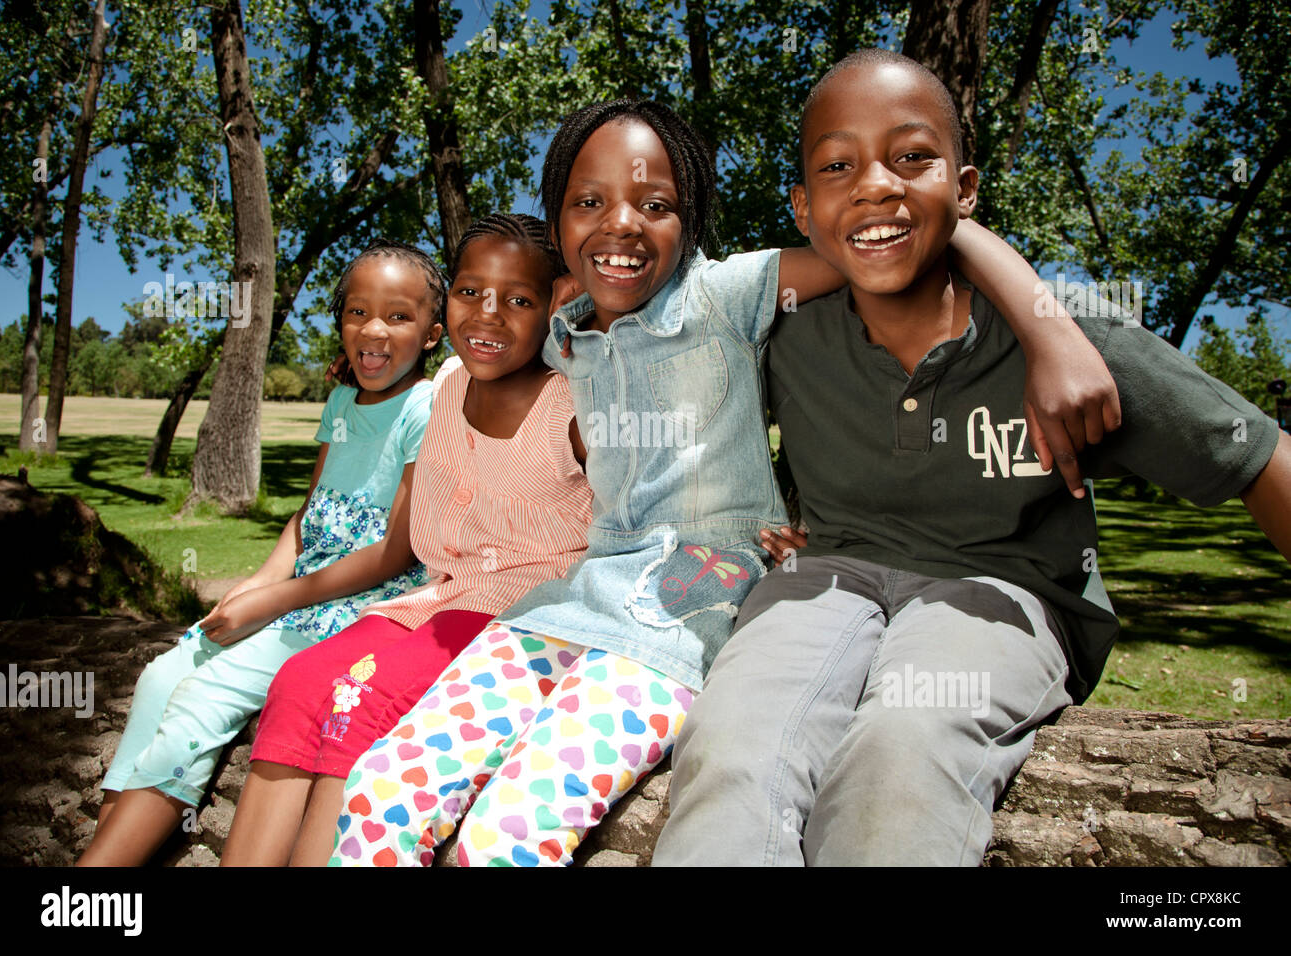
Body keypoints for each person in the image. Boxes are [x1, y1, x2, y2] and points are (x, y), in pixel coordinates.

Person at [330, 99, 1122, 867]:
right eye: (589, 203)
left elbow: (879, 239)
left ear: (694, 219)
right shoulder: (565, 332)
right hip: (576, 602)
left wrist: (1048, 321)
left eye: (657, 203)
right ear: (559, 223)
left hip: (686, 615)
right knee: (378, 792)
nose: (622, 225)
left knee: (505, 834)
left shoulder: (729, 293)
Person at [653, 49, 1291, 867]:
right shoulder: (786, 334)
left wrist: (1047, 324)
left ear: (966, 188)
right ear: (804, 208)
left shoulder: (1068, 339)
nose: (877, 184)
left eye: (913, 155)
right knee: (732, 741)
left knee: (905, 742)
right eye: (838, 165)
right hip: (829, 582)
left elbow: (1259, 458)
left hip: (1001, 591)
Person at [219, 214, 592, 866]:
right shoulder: (446, 384)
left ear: (556, 300)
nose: (490, 315)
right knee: (302, 679)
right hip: (436, 599)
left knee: (359, 700)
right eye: (471, 292)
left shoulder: (573, 403)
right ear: (447, 304)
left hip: (521, 616)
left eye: (520, 300)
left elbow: (633, 508)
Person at [76, 238, 446, 866]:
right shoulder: (339, 402)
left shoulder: (426, 405)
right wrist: (258, 582)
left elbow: (394, 552)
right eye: (357, 312)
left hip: (351, 612)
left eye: (398, 315)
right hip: (295, 597)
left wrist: (277, 600)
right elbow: (309, 514)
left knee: (203, 698)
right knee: (161, 675)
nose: (373, 329)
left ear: (433, 334)